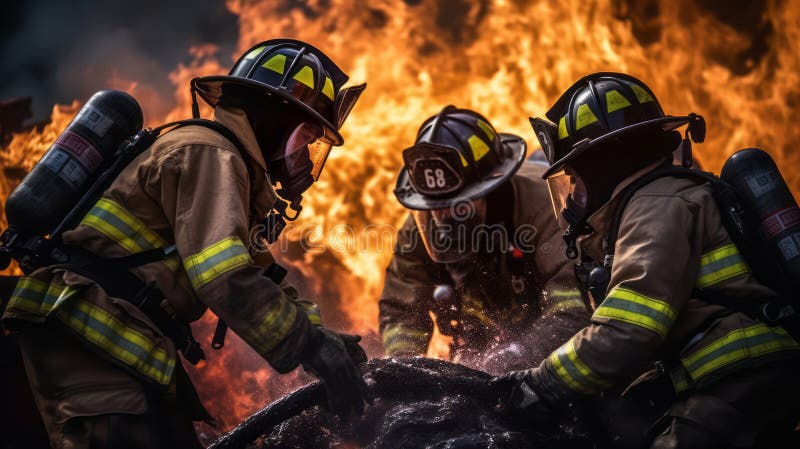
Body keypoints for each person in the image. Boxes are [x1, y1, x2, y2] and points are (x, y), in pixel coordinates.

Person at [2, 39, 370, 449]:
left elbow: (258, 272)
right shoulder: (211, 152)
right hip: (92, 327)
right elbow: (224, 276)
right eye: (306, 137)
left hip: (117, 334)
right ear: (273, 116)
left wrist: (324, 338)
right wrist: (311, 345)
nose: (306, 157)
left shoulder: (225, 167)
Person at [493, 72, 800, 448]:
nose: (572, 195)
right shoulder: (660, 199)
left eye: (574, 176)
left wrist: (541, 382)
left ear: (604, 163)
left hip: (743, 376)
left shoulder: (655, 205)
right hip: (732, 376)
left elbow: (630, 326)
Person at [379, 106, 589, 374]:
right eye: (436, 207)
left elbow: (573, 310)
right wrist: (407, 370)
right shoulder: (421, 227)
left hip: (544, 356)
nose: (444, 219)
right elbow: (400, 311)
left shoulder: (545, 208)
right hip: (485, 341)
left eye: (460, 205)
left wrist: (512, 360)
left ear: (491, 189)